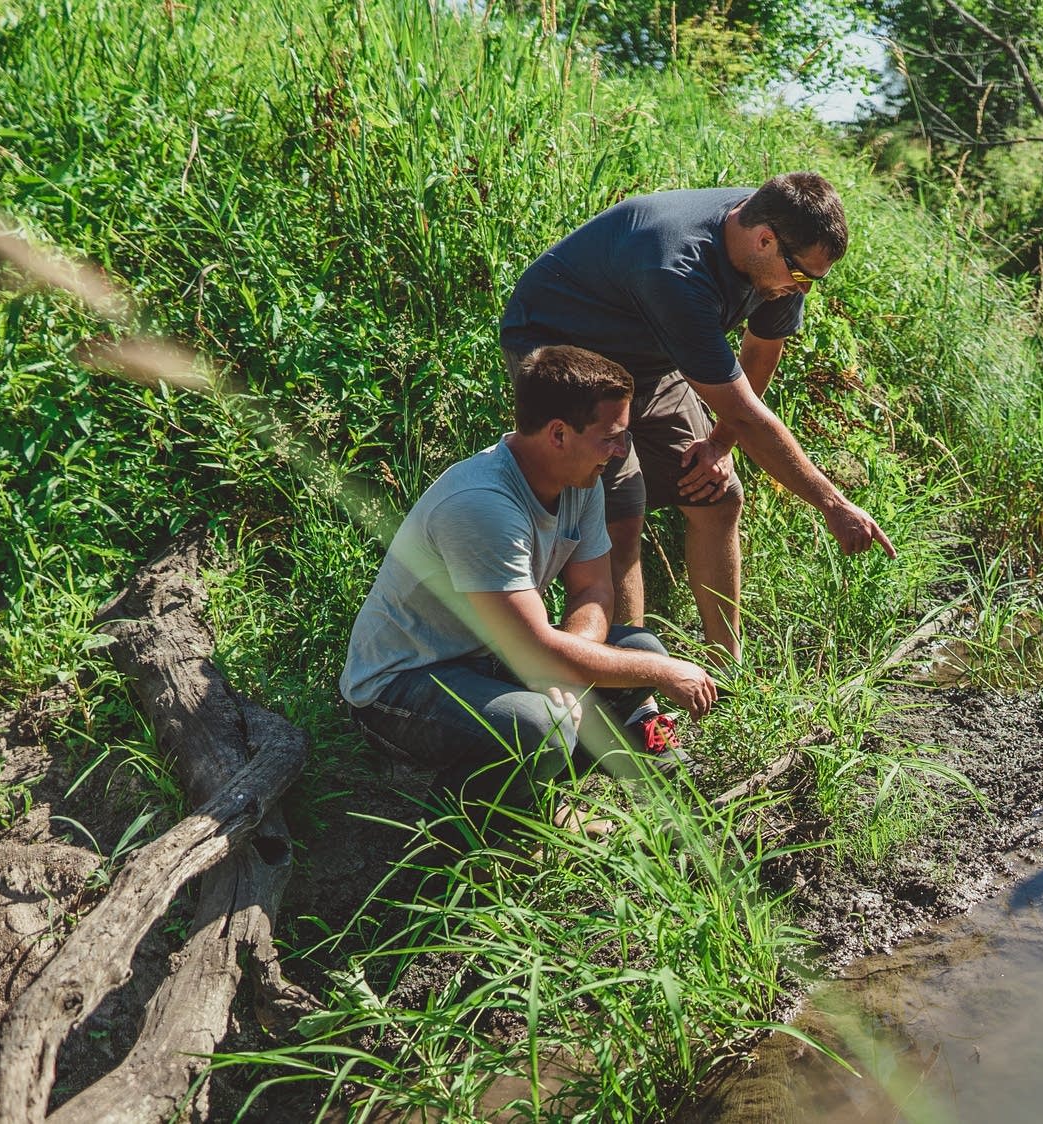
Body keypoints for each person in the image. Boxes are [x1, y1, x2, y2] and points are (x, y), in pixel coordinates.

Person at [499, 171, 895, 661]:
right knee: (620, 514)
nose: (803, 292)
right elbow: (749, 415)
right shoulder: (676, 268)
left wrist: (719, 444)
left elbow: (760, 354)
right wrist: (833, 505)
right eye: (802, 277)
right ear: (764, 240)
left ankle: (725, 664)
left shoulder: (773, 261)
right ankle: (629, 682)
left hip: (650, 355)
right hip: (564, 349)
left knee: (716, 492)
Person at [341, 345, 719, 832]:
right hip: (403, 683)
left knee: (638, 646)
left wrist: (567, 668)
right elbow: (534, 645)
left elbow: (593, 592)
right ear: (559, 433)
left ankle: (650, 780)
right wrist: (655, 671)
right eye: (611, 437)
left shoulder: (581, 479)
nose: (621, 451)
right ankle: (461, 837)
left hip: (495, 655)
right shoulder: (482, 503)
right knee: (542, 726)